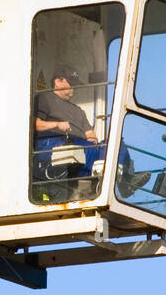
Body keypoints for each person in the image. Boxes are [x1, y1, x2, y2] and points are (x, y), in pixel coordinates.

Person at [33, 64, 150, 197]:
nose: (74, 87)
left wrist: (92, 139)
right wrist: (57, 125)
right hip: (56, 144)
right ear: (58, 82)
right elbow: (35, 125)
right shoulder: (45, 98)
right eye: (71, 83)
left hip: (82, 147)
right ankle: (110, 178)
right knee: (80, 149)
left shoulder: (78, 111)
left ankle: (126, 181)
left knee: (115, 144)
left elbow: (90, 134)